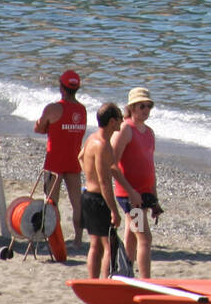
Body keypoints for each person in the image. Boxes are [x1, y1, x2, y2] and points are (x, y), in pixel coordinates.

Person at [111, 87, 163, 278]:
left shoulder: (149, 132)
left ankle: (126, 272)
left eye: (149, 106)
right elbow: (112, 165)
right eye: (142, 106)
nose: (146, 110)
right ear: (131, 107)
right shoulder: (125, 129)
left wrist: (155, 199)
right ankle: (146, 280)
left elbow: (150, 167)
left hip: (144, 193)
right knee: (145, 238)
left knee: (132, 235)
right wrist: (131, 192)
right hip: (130, 195)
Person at [34, 70, 88, 248]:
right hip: (73, 160)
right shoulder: (82, 110)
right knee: (77, 203)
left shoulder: (52, 108)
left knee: (51, 202)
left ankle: (53, 240)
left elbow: (40, 129)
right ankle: (78, 240)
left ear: (61, 88)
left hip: (55, 161)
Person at [79, 103, 123, 278]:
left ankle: (93, 281)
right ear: (112, 121)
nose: (122, 120)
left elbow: (80, 157)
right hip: (98, 198)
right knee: (109, 246)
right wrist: (114, 211)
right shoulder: (103, 145)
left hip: (87, 195)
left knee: (95, 244)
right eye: (120, 117)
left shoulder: (92, 138)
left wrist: (89, 177)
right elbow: (105, 183)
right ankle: (105, 283)